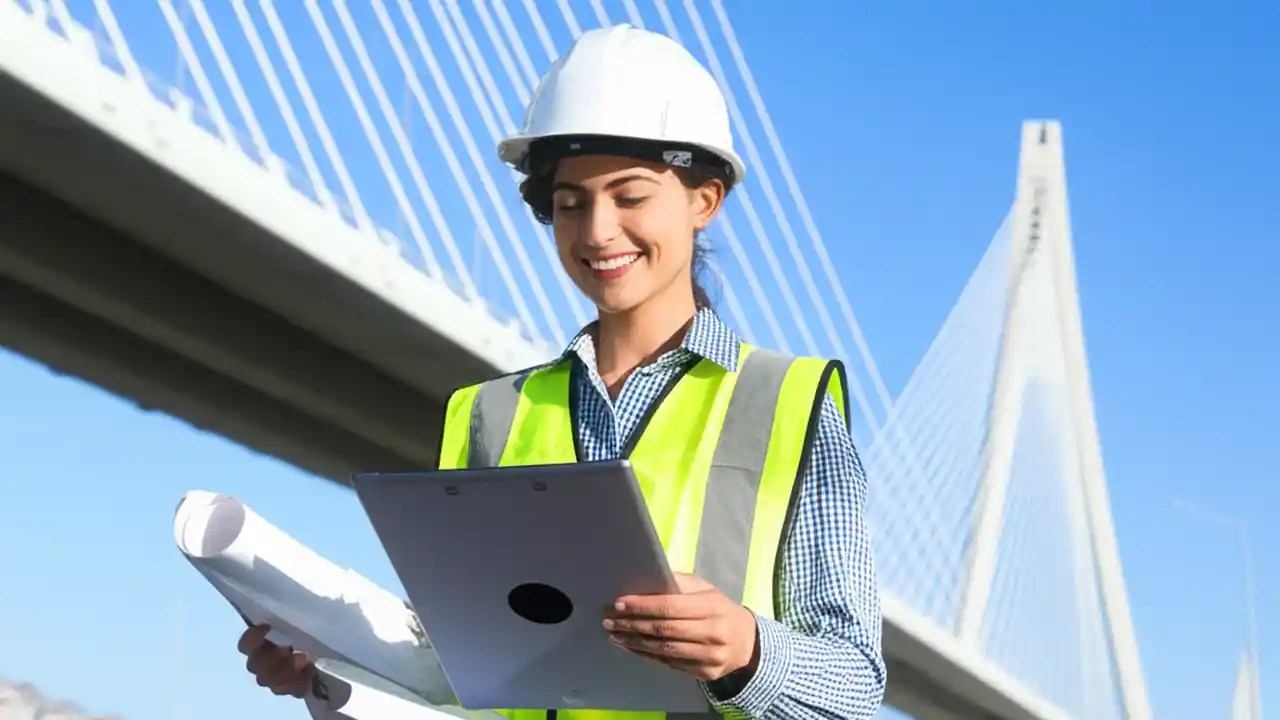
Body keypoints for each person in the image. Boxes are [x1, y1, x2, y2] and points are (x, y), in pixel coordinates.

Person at [237, 23, 885, 720]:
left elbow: (854, 687)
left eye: (630, 196)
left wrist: (747, 651)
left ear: (705, 200)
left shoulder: (789, 407)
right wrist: (328, 665)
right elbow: (459, 673)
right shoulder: (487, 416)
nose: (597, 231)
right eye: (571, 203)